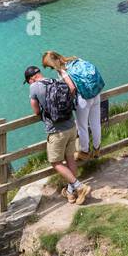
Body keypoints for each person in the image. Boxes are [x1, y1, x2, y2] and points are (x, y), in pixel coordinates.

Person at [23, 65, 91, 204]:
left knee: (55, 162)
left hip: (56, 131)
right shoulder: (56, 81)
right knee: (70, 158)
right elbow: (72, 89)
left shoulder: (34, 87)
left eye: (29, 81)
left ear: (31, 79)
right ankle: (71, 192)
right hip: (71, 126)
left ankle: (79, 187)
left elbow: (36, 110)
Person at [42, 51, 104, 160]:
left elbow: (72, 87)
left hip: (83, 99)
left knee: (82, 127)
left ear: (53, 63)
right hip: (95, 94)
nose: (52, 69)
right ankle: (97, 149)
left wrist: (67, 100)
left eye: (50, 67)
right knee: (95, 123)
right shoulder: (75, 60)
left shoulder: (62, 71)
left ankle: (85, 152)